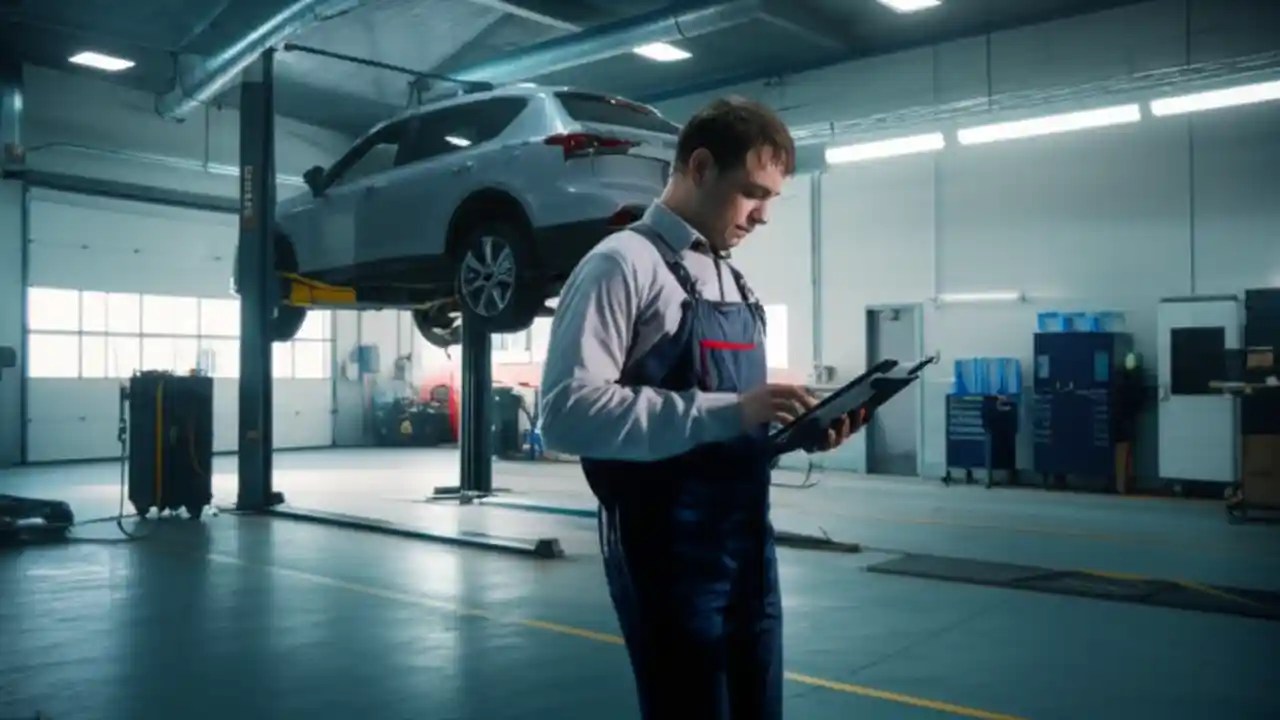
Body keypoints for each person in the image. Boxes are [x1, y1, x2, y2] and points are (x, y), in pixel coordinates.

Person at [539, 96, 867, 719]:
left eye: (772, 198)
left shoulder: (730, 278)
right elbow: (566, 411)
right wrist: (731, 411)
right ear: (699, 167)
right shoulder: (620, 265)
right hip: (666, 553)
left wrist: (797, 430)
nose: (763, 216)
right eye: (752, 192)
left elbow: (733, 418)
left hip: (746, 546)